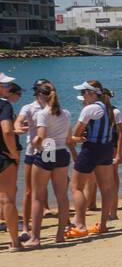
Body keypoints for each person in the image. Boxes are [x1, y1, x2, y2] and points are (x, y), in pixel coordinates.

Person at [21, 80, 71, 247]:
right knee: (62, 195)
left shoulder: (43, 113)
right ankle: (60, 234)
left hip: (48, 149)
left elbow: (41, 137)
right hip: (62, 151)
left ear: (41, 97)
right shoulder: (66, 113)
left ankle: (35, 237)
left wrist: (34, 143)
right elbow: (68, 137)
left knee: (38, 195)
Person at [65, 80, 118, 239]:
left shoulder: (89, 109)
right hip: (106, 148)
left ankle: (80, 225)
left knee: (76, 187)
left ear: (92, 93)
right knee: (106, 188)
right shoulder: (108, 108)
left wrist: (72, 139)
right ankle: (103, 225)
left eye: (83, 93)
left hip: (91, 149)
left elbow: (76, 133)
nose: (82, 96)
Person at [14, 80, 46, 243]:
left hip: (49, 148)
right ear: (37, 92)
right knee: (29, 190)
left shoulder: (54, 107)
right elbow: (18, 121)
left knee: (49, 186)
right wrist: (19, 128)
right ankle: (26, 227)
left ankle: (65, 222)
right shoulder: (29, 107)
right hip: (32, 149)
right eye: (43, 90)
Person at [0, 74, 22, 251]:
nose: (8, 87)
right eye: (5, 84)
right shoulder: (4, 105)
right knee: (7, 199)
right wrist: (14, 153)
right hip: (3, 155)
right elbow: (7, 131)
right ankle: (15, 242)